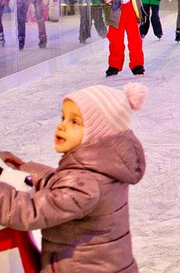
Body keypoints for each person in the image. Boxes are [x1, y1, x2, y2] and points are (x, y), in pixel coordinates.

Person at [0, 83, 147, 273]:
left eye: (74, 122)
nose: (62, 126)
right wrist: (23, 167)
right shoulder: (100, 169)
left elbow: (34, 212)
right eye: (63, 118)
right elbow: (61, 183)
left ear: (97, 135)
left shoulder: (88, 182)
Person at [100, 0, 146, 77]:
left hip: (130, 12)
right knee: (116, 41)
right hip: (116, 14)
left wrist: (141, 12)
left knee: (135, 40)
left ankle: (137, 65)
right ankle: (114, 65)